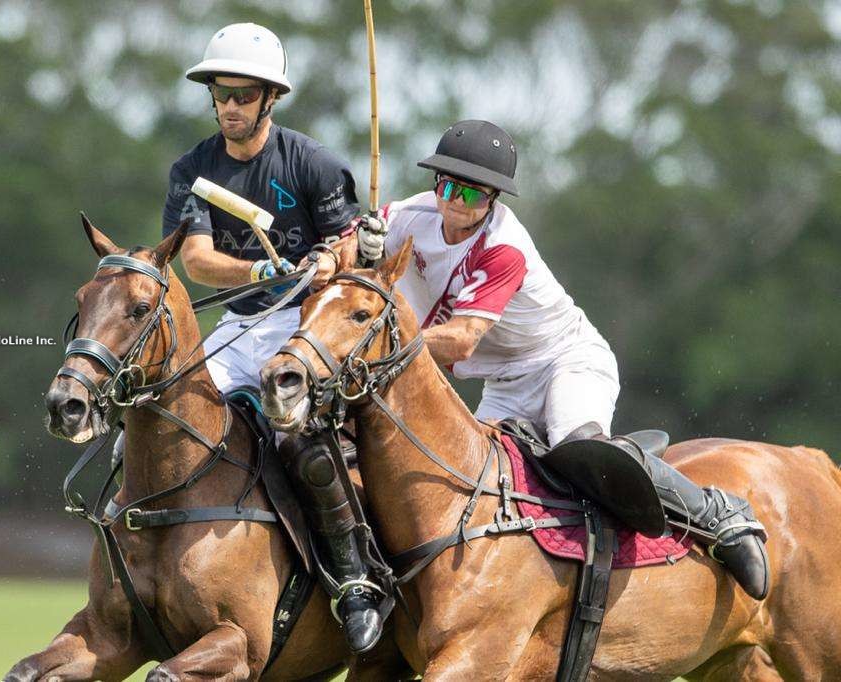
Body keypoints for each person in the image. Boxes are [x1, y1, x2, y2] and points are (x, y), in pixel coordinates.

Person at [355, 119, 769, 600]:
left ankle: (718, 515)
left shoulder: (501, 248)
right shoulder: (408, 214)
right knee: (468, 479)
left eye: (469, 194)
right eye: (445, 184)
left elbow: (463, 339)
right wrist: (360, 246)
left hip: (565, 359)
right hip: (506, 380)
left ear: (492, 199)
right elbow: (352, 247)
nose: (453, 200)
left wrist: (381, 340)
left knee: (578, 446)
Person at [158, 23, 383, 651]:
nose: (229, 105)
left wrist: (333, 259)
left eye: (243, 94)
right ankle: (133, 571)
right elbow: (196, 261)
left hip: (303, 327)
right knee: (158, 427)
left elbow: (345, 249)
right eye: (220, 93)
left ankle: (354, 581)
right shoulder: (193, 170)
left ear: (269, 98)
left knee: (305, 445)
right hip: (236, 323)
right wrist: (260, 268)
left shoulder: (311, 163)